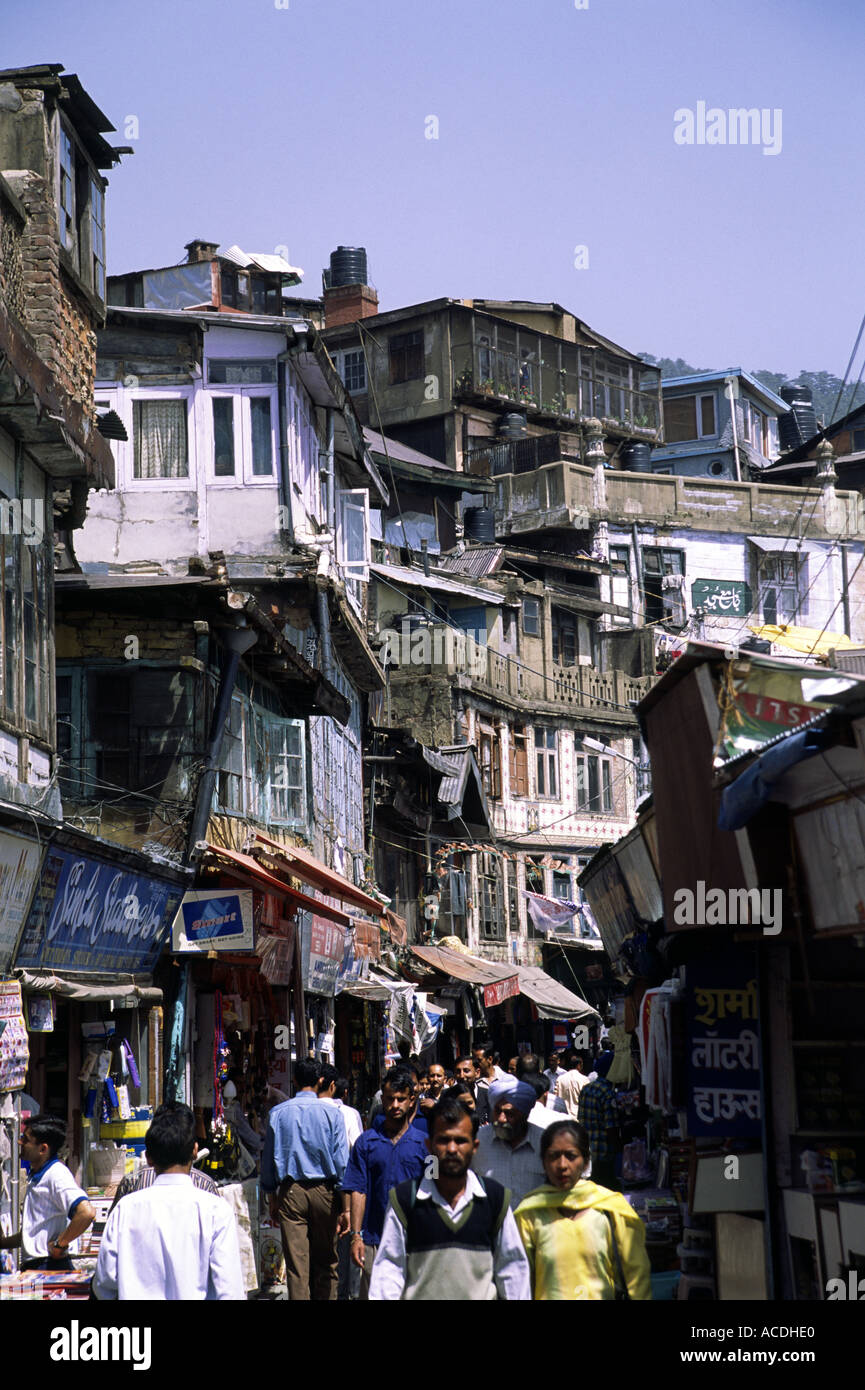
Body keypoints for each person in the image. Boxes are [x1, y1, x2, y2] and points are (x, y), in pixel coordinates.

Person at [369, 1096, 531, 1301]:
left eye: (461, 1140)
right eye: (444, 1140)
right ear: (429, 1145)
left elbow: (513, 1271)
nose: (452, 1149)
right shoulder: (405, 1200)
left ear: (475, 1146)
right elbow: (389, 1271)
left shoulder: (495, 1200)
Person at [92, 1103, 244, 1300]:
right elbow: (230, 1291)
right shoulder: (216, 1211)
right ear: (195, 1150)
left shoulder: (126, 1209)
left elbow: (105, 1283)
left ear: (148, 1158)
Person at [515, 1121, 651, 1300]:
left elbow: (637, 1277)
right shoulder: (529, 1214)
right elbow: (517, 1281)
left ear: (586, 1161)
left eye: (571, 1156)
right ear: (543, 1161)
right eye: (553, 1156)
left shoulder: (611, 1210)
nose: (562, 1165)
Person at [261, 1056, 349, 1301]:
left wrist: (272, 1196)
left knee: (297, 1267)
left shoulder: (278, 1113)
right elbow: (341, 1163)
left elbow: (268, 1161)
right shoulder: (333, 1115)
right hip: (326, 1192)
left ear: (295, 1080)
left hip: (291, 1192)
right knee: (327, 1261)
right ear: (321, 1080)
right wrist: (346, 1206)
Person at [340, 1066, 428, 1299]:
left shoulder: (427, 1146)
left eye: (401, 1099)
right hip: (374, 1238)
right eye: (390, 1099)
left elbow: (435, 1190)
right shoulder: (365, 1143)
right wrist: (356, 1236)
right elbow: (358, 1189)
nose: (395, 1105)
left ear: (411, 1100)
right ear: (383, 1098)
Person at [0, 1115, 94, 1271]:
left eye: (26, 1139)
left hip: (49, 1266)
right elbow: (33, 1233)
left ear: (43, 1149)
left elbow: (86, 1213)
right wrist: (4, 1243)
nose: (19, 1142)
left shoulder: (57, 1174)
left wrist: (60, 1244)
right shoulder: (37, 1175)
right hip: (37, 1265)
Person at [472, 1077, 546, 1209]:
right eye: (497, 1111)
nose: (501, 1119)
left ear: (525, 1114)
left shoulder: (545, 1142)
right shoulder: (477, 1140)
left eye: (509, 1113)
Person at [577, 1052, 622, 1189]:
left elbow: (581, 1118)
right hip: (605, 1154)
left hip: (589, 1151)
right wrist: (619, 1149)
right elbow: (611, 1128)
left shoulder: (587, 1089)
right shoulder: (607, 1093)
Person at [454, 1055, 489, 1124]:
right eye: (458, 1071)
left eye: (466, 1071)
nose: (461, 1076)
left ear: (477, 1073)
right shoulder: (447, 1095)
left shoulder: (487, 1095)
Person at [556, 1054, 592, 1121]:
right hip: (578, 1118)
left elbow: (556, 1098)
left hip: (563, 1118)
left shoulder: (560, 1079)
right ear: (579, 1065)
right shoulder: (585, 1080)